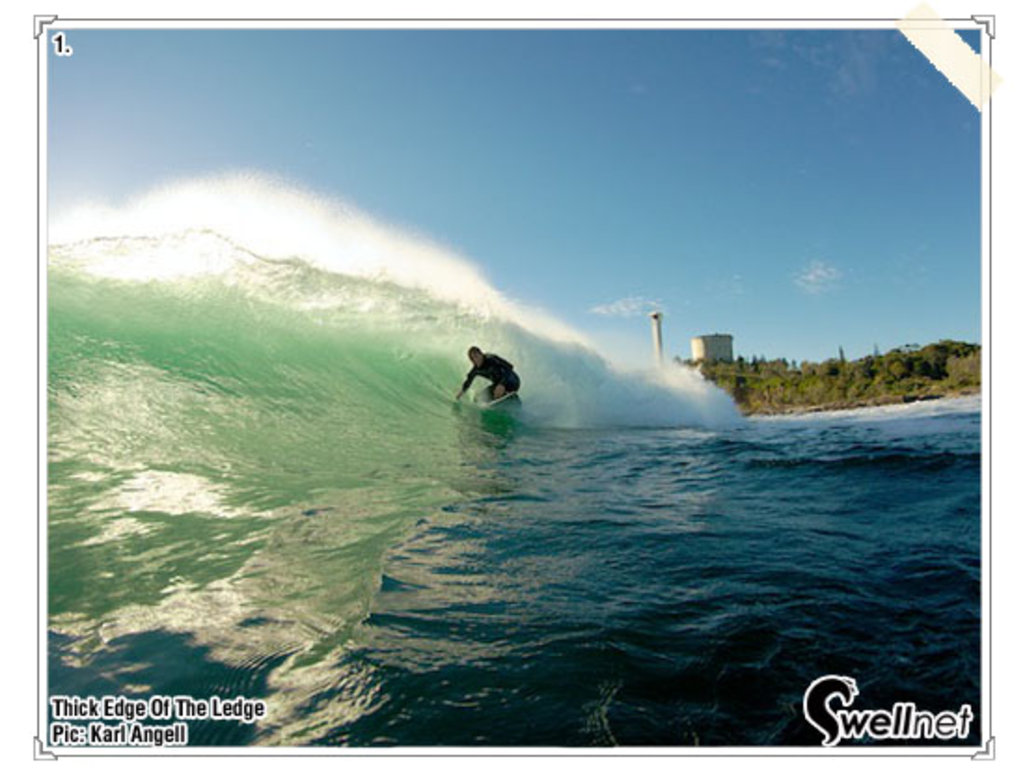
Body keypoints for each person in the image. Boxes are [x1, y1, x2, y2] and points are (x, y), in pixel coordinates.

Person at [455, 346, 520, 402]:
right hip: (498, 385)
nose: (476, 360)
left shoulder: (491, 359)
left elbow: (509, 367)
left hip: (512, 380)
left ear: (481, 354)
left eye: (476, 356)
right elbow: (468, 381)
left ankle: (504, 392)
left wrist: (502, 384)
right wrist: (461, 393)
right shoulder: (476, 369)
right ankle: (502, 396)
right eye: (473, 359)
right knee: (479, 398)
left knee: (498, 388)